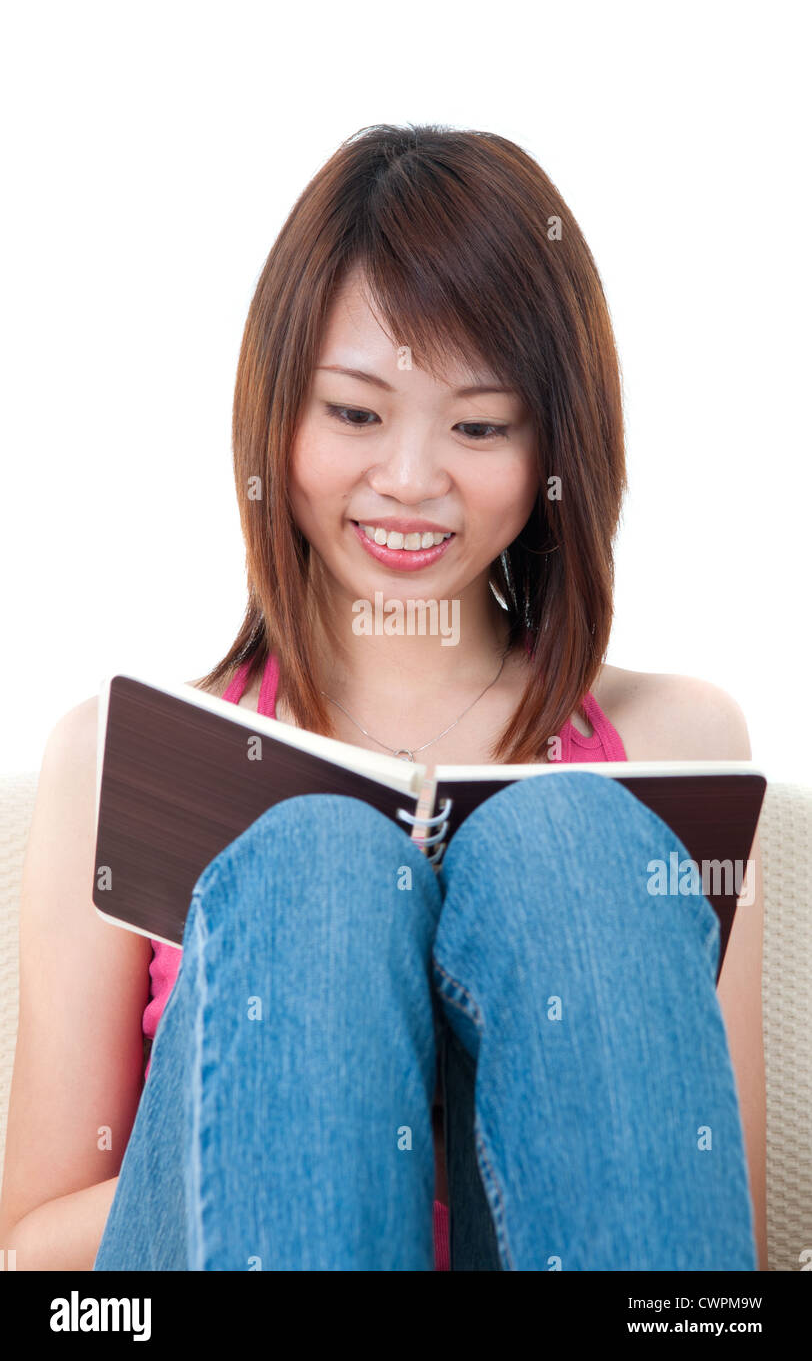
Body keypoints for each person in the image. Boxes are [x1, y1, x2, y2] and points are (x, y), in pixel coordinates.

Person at [0, 124, 766, 1271]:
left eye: (478, 425)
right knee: (319, 867)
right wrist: (301, 1121)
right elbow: (31, 1259)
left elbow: (721, 1231)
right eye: (354, 413)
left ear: (552, 441)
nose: (409, 479)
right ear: (277, 415)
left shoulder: (677, 740)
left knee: (566, 841)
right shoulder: (122, 753)